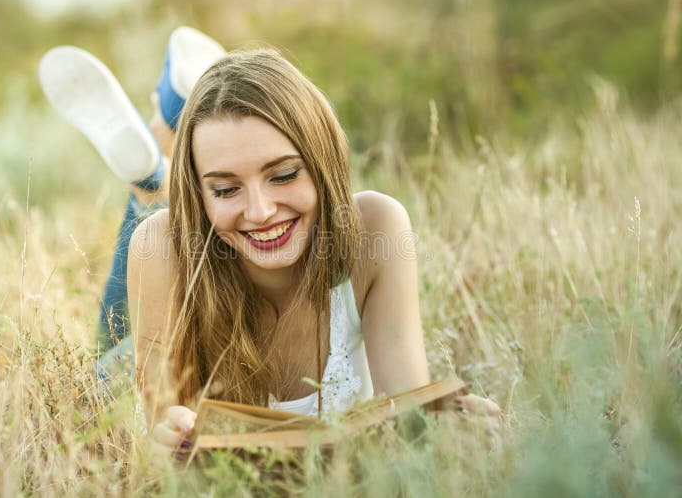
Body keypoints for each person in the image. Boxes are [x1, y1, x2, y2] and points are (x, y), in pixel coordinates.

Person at [123, 48, 501, 458]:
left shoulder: (376, 227)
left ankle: (164, 154)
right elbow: (158, 429)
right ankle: (152, 175)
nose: (261, 211)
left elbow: (409, 413)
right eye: (226, 188)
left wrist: (449, 432)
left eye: (283, 175)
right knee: (149, 232)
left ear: (322, 162)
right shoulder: (160, 247)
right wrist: (166, 437)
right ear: (200, 194)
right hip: (133, 333)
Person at [39, 27, 226, 388]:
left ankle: (153, 180)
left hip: (175, 353)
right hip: (203, 328)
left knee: (100, 373)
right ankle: (153, 184)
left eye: (156, 108)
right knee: (161, 215)